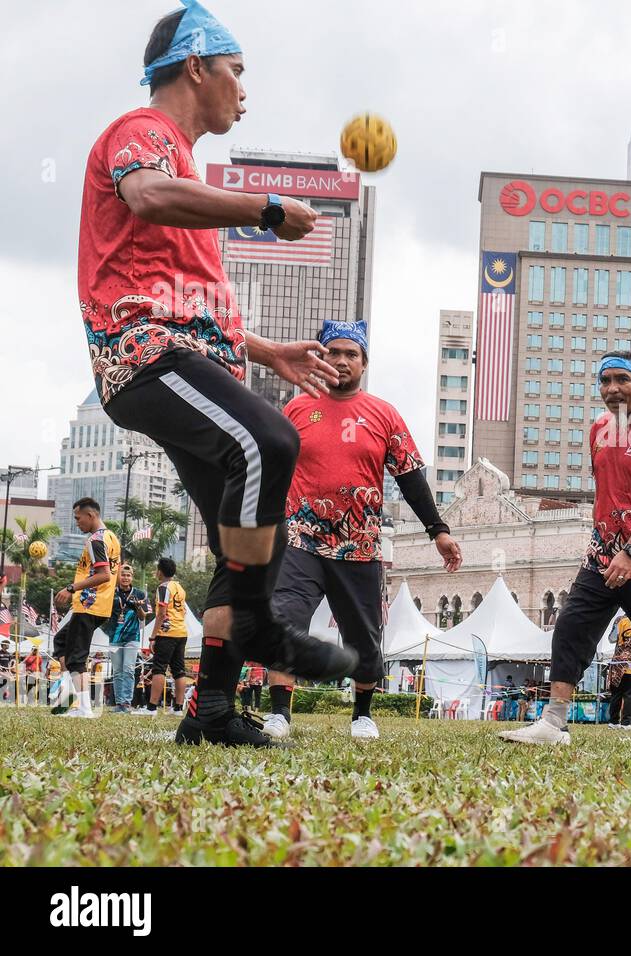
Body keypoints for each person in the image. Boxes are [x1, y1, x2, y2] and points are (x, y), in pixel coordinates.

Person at [77, 2, 357, 746]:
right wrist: (264, 208)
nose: (243, 89)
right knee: (268, 444)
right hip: (143, 358)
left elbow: (192, 305)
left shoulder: (184, 165)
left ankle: (213, 713)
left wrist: (268, 353)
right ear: (196, 65)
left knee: (243, 540)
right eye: (236, 71)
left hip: (184, 358)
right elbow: (145, 194)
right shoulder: (142, 137)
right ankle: (262, 631)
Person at [259, 319, 461, 741]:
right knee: (283, 618)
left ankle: (362, 714)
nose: (342, 361)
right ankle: (279, 712)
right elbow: (271, 468)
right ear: (321, 357)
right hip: (301, 540)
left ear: (364, 363)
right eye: (334, 352)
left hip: (360, 545)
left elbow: (410, 477)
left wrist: (438, 531)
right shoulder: (297, 409)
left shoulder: (383, 414)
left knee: (364, 635)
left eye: (351, 354)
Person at [500, 351, 631, 750]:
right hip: (602, 555)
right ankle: (554, 723)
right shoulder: (599, 430)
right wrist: (609, 546)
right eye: (604, 381)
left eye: (622, 379)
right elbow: (608, 493)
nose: (612, 389)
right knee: (571, 628)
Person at [52, 498, 121, 718]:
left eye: (78, 518)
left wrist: (71, 588)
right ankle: (67, 700)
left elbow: (104, 575)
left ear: (90, 516)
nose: (77, 523)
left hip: (89, 605)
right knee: (61, 642)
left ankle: (84, 709)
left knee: (76, 659)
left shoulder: (96, 540)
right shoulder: (112, 538)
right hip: (98, 605)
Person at [139, 556, 189, 714]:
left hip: (167, 633)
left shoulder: (163, 588)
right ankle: (178, 708)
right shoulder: (180, 588)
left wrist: (153, 636)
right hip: (181, 632)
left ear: (160, 572)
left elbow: (161, 614)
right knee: (179, 670)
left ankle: (152, 707)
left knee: (159, 669)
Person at [105, 563, 151, 714]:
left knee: (128, 669)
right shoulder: (111, 592)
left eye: (128, 575)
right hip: (114, 636)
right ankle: (119, 703)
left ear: (132, 577)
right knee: (117, 671)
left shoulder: (140, 594)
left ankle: (126, 702)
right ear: (118, 576)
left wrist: (138, 607)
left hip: (132, 636)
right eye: (123, 575)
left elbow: (143, 617)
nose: (125, 578)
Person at [605, 616, 631, 728]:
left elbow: (611, 639)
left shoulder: (619, 620)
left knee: (616, 694)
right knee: (630, 695)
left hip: (618, 662)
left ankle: (613, 722)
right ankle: (626, 722)